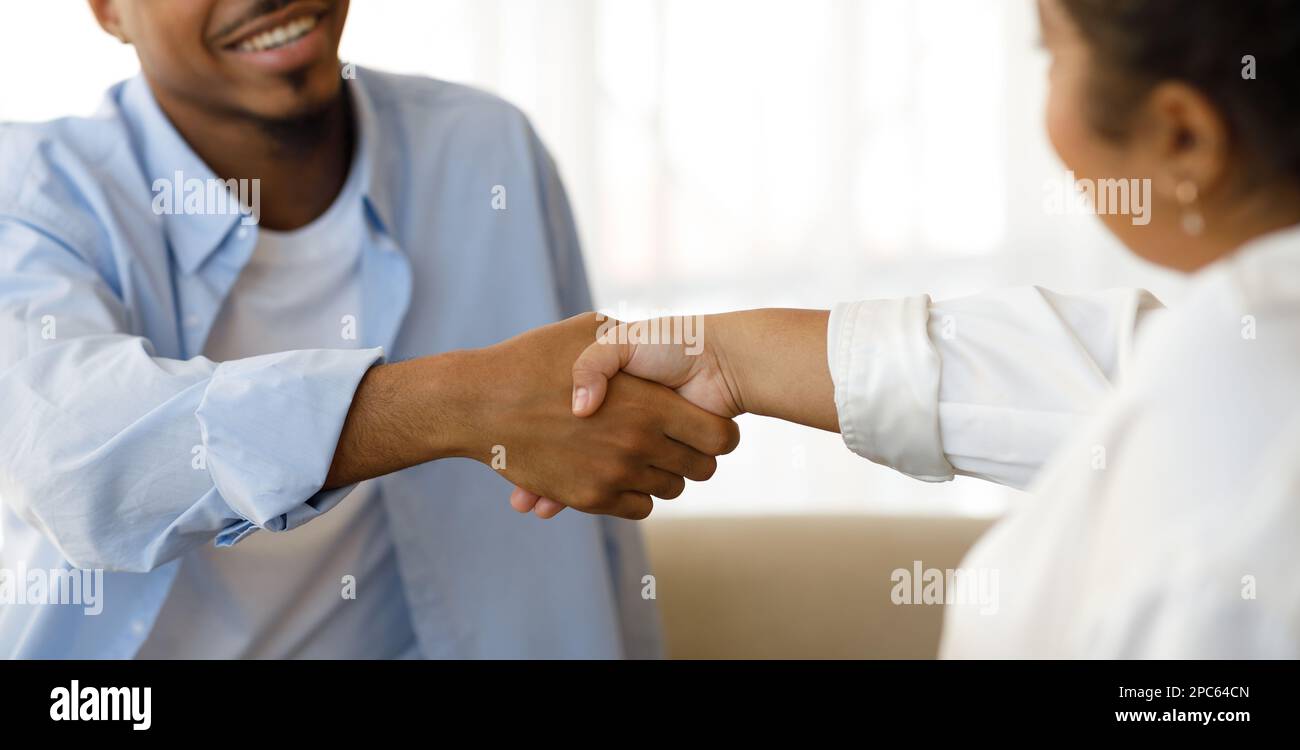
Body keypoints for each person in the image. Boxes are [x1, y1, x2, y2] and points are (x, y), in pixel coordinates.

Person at [512, 0, 1300, 658]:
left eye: (1052, 56)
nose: (1046, 103)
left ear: (1183, 137)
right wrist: (728, 355)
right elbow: (1108, 374)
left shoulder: (1225, 481)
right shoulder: (1239, 355)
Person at [0, 0, 738, 659]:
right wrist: (462, 403)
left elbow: (597, 537)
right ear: (107, 11)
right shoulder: (31, 191)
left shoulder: (486, 151)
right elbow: (76, 463)